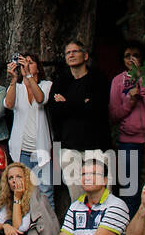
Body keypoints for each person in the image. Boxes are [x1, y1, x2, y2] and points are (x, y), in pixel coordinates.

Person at [48, 39, 111, 199]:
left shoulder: (98, 79)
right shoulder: (61, 81)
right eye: (68, 52)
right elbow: (55, 111)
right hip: (69, 147)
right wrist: (81, 103)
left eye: (75, 51)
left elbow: (97, 109)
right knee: (76, 197)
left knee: (102, 195)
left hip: (97, 146)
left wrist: (67, 103)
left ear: (85, 55)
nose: (71, 55)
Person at [109, 41, 145, 213]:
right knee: (130, 187)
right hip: (129, 139)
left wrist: (142, 78)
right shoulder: (118, 81)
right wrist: (130, 100)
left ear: (143, 58)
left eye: (136, 55)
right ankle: (132, 229)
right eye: (128, 56)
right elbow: (114, 114)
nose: (132, 59)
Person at [5, 54, 54, 206]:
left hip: (41, 149)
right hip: (22, 149)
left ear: (38, 67)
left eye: (30, 63)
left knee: (46, 191)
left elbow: (41, 99)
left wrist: (29, 76)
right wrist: (14, 80)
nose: (26, 66)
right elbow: (8, 104)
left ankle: (50, 228)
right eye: (23, 63)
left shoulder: (47, 85)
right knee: (25, 191)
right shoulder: (17, 87)